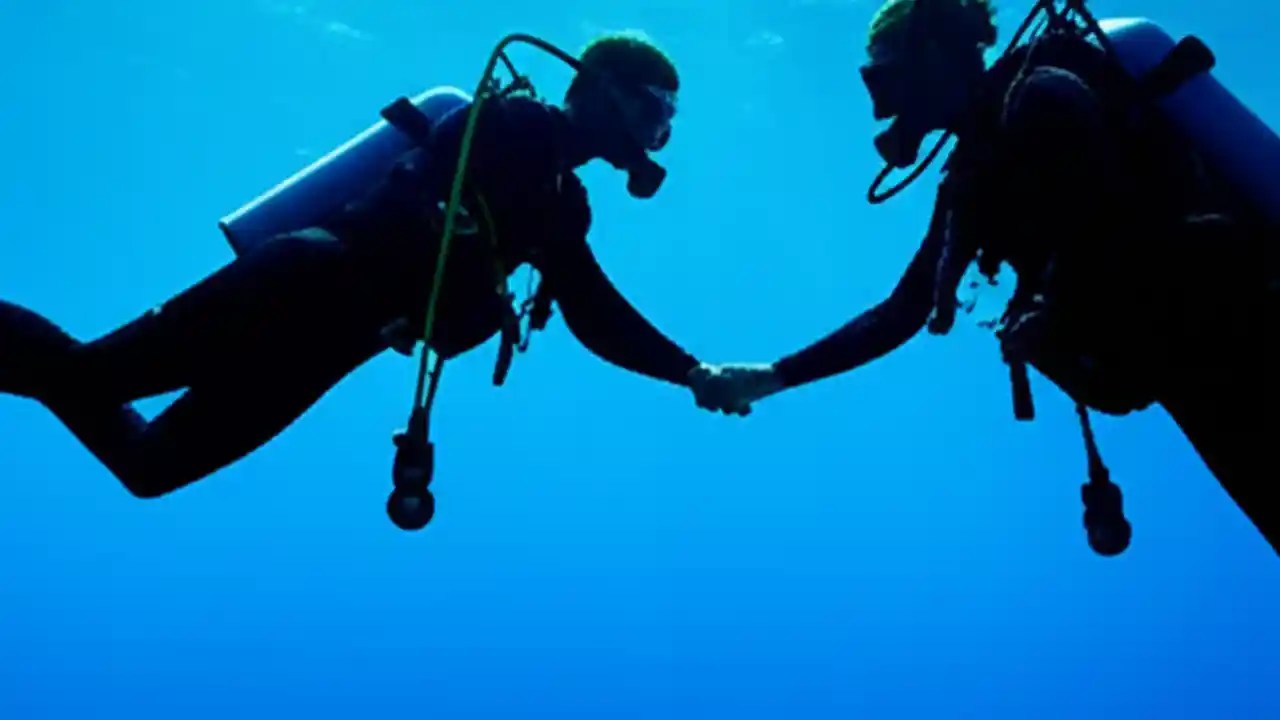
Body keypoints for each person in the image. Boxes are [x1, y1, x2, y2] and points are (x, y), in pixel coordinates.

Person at [0, 31, 706, 499]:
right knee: (91, 380)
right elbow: (437, 182)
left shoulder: (564, 204)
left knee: (150, 466)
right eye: (654, 110)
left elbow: (593, 311)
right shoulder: (513, 122)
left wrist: (692, 372)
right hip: (303, 282)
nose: (658, 133)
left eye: (666, 123)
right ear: (601, 86)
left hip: (334, 343)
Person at [688, 0, 1277, 553]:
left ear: (932, 53)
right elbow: (904, 308)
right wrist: (776, 375)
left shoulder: (1040, 93)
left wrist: (1052, 309)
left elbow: (1102, 203)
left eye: (884, 79)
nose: (882, 106)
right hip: (1187, 364)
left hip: (1241, 321)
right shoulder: (976, 170)